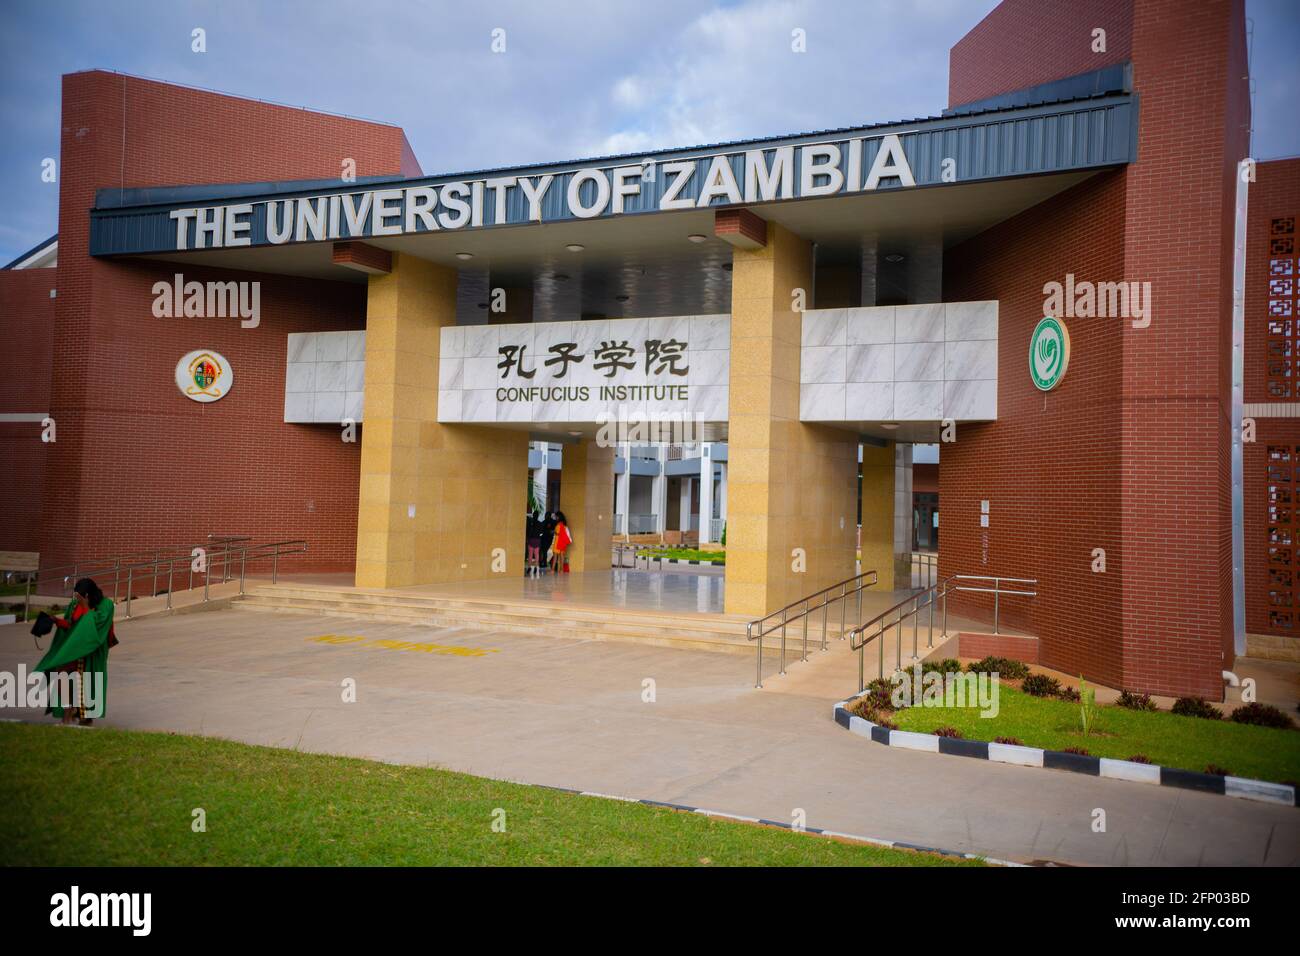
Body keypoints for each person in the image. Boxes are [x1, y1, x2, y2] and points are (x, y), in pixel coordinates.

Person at [36, 577, 117, 726]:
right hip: (74, 649)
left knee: (87, 681)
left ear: (87, 595)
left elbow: (96, 625)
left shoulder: (106, 605)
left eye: (79, 596)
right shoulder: (75, 604)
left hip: (92, 650)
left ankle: (83, 717)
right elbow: (71, 626)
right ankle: (67, 716)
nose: (76, 599)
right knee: (62, 676)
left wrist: (85, 606)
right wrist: (55, 620)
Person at [539, 511, 556, 576]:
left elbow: (555, 529)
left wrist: (552, 531)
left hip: (548, 539)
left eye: (547, 515)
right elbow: (541, 529)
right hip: (544, 538)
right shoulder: (545, 521)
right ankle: (543, 562)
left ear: (549, 515)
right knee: (543, 550)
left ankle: (543, 562)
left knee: (544, 550)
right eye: (546, 515)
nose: (545, 516)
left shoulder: (552, 522)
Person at [525, 512, 542, 576]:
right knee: (536, 554)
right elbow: (541, 532)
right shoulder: (540, 523)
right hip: (537, 540)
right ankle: (536, 567)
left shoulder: (530, 523)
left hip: (531, 539)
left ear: (533, 515)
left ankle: (529, 567)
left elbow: (528, 531)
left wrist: (527, 538)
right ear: (538, 516)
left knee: (530, 554)